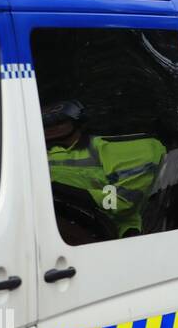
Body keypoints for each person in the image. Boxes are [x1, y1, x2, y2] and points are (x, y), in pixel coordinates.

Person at [44, 99, 165, 239]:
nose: (51, 128)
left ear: (78, 123)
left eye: (60, 122)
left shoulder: (113, 148)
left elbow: (121, 202)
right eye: (46, 124)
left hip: (118, 235)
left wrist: (54, 188)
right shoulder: (35, 153)